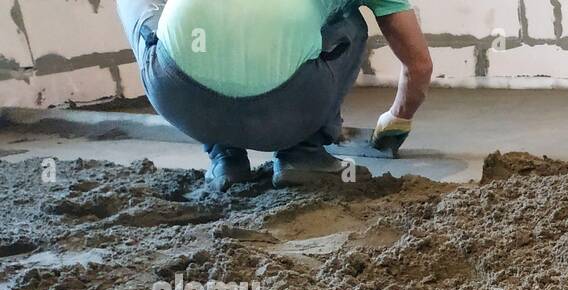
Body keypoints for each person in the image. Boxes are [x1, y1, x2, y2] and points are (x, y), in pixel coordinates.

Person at [115, 0, 434, 189]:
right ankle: (303, 154)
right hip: (285, 110)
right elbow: (419, 67)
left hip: (179, 99)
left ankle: (225, 155)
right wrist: (396, 121)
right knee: (351, 23)